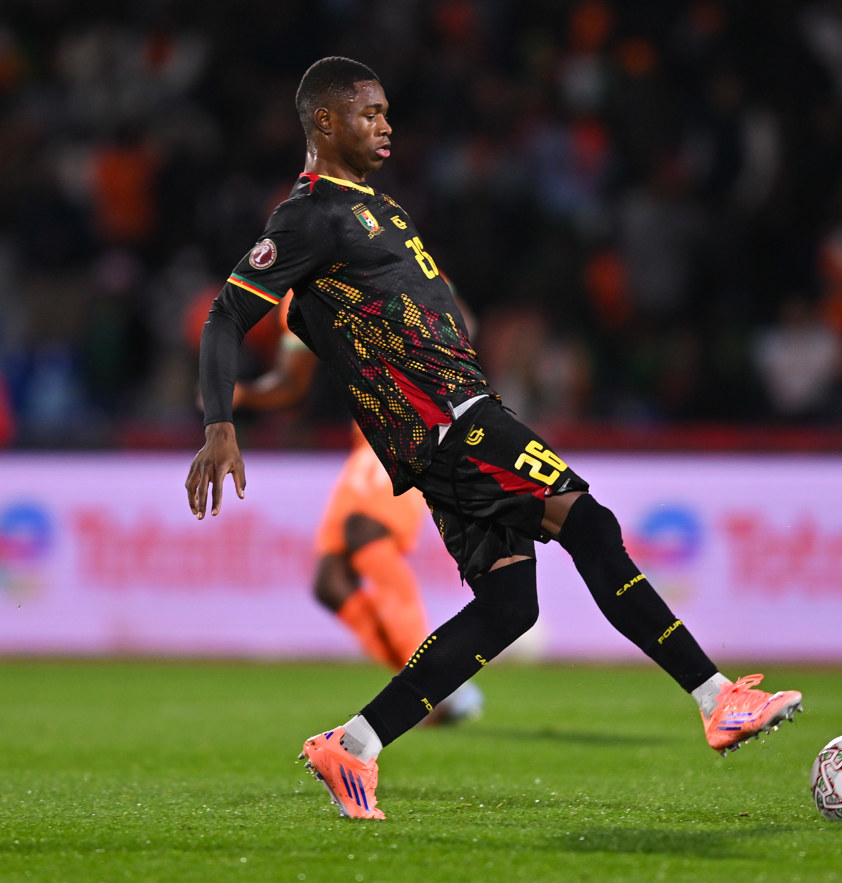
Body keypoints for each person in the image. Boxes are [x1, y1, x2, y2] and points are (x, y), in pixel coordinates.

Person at [185, 56, 803, 820]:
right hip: (450, 421)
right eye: (369, 113)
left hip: (451, 422)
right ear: (325, 121)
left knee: (509, 605)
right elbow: (227, 314)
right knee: (588, 521)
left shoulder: (380, 208)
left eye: (387, 111)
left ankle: (355, 743)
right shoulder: (309, 215)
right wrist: (221, 424)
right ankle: (716, 697)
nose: (386, 125)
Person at [231, 299, 483, 722]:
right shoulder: (296, 300)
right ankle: (440, 689)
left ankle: (431, 689)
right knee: (330, 582)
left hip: (415, 420)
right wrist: (243, 393)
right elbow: (291, 384)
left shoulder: (387, 264)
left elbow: (463, 319)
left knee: (365, 530)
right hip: (368, 432)